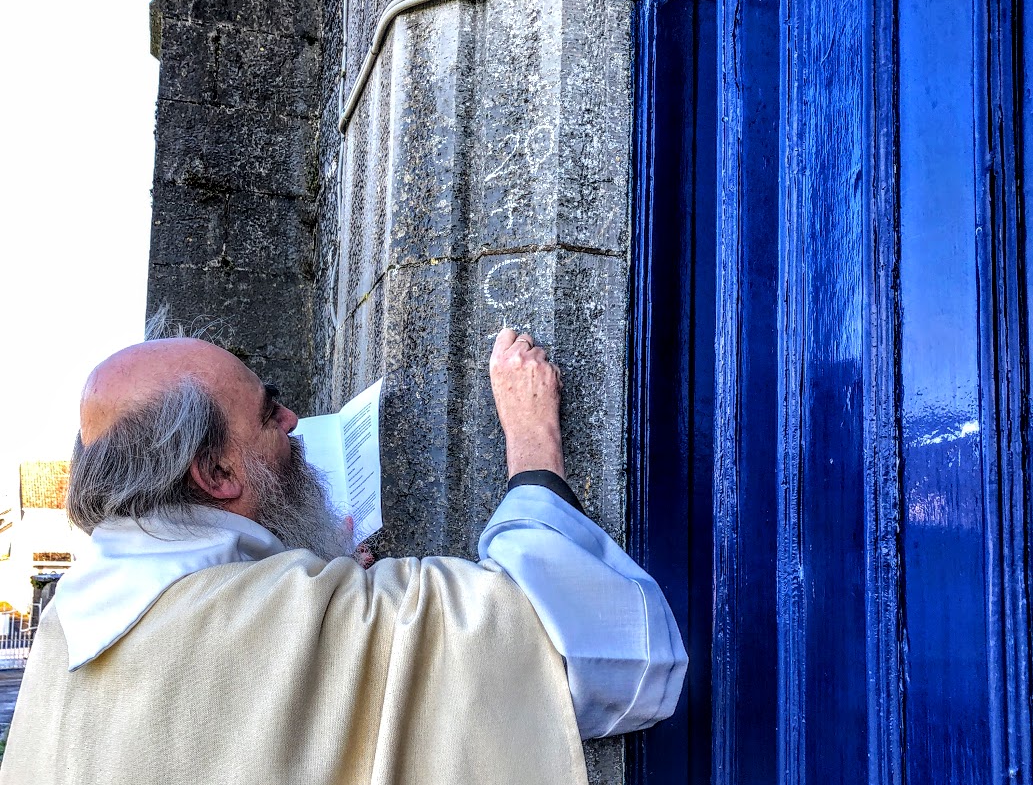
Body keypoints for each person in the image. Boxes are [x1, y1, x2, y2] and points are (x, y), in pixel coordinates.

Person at [2, 328, 686, 785]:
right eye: (269, 412)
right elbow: (596, 652)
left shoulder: (69, 624)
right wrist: (533, 446)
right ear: (215, 475)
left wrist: (334, 606)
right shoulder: (300, 618)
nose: (294, 420)